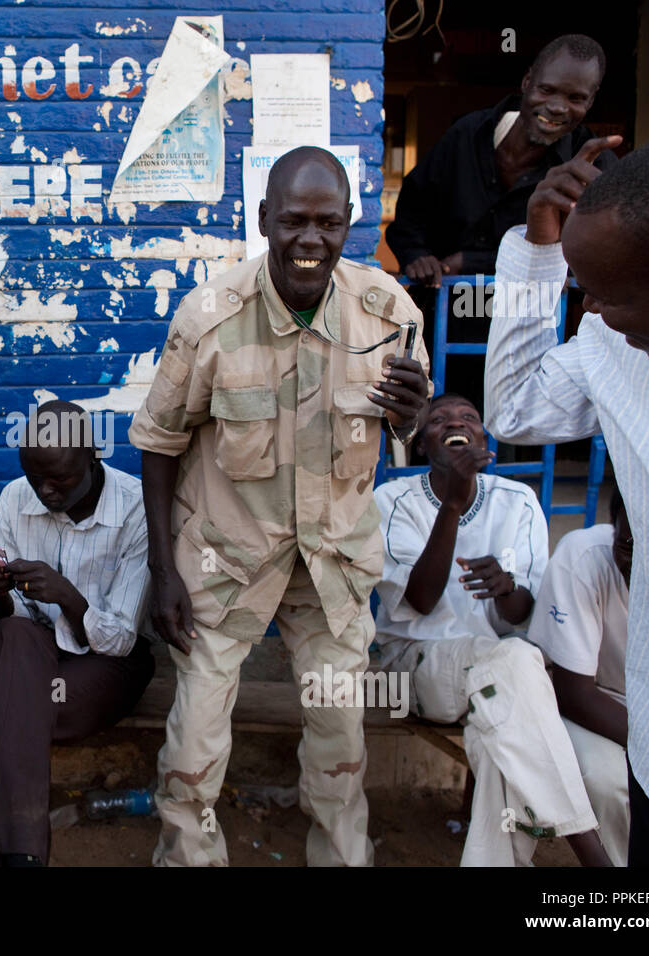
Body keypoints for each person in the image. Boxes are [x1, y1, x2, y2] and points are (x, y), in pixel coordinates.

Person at [128, 146, 431, 866]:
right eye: (293, 220)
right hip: (228, 557)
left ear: (351, 223)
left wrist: (411, 416)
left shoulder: (389, 314)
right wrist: (163, 572)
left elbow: (405, 426)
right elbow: (158, 443)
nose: (310, 239)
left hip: (331, 561)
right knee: (196, 740)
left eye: (328, 222)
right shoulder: (209, 319)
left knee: (340, 739)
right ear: (263, 219)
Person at [484, 127, 649, 865]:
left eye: (611, 298)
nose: (598, 318)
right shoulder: (620, 346)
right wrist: (539, 251)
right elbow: (514, 408)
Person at [373, 392, 609, 865]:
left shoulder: (518, 502)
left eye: (468, 418)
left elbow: (523, 615)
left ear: (484, 440)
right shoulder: (392, 501)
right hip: (416, 668)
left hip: (500, 683)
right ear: (422, 445)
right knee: (517, 664)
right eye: (438, 419)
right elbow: (419, 600)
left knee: (496, 730)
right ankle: (591, 851)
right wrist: (453, 507)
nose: (455, 422)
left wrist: (506, 589)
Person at [0, 400, 155, 866]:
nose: (46, 492)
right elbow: (7, 620)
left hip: (107, 666)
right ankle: (22, 856)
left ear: (93, 456)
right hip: (29, 656)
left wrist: (69, 597)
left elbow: (121, 640)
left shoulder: (136, 507)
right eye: (36, 479)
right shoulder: (16, 497)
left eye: (60, 480)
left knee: (8, 709)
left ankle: (8, 855)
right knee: (13, 640)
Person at [386, 34, 614, 286]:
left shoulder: (592, 162)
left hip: (531, 318)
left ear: (590, 101)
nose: (558, 107)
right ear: (527, 81)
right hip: (446, 314)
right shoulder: (468, 135)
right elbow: (409, 216)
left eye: (576, 98)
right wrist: (417, 256)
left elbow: (597, 255)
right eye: (547, 90)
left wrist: (469, 262)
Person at [529, 492, 631, 865]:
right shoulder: (585, 556)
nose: (638, 560)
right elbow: (574, 694)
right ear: (614, 521)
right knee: (608, 782)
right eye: (627, 544)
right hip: (598, 702)